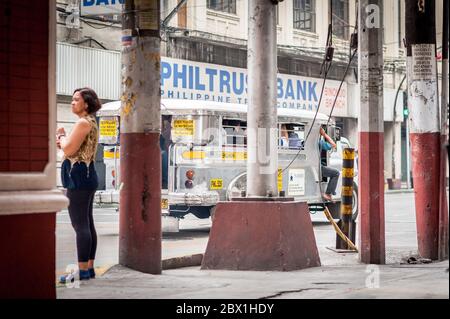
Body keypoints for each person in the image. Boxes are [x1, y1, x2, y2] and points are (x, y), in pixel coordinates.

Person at [57, 87, 101, 283]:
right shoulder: (90, 122)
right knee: (87, 223)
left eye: (76, 100)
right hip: (86, 176)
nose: (72, 102)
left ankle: (82, 271)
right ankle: (88, 268)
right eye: (72, 100)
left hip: (80, 177)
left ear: (87, 103)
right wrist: (66, 143)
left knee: (79, 224)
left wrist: (61, 136)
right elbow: (73, 149)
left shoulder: (83, 122)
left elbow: (68, 148)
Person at [319, 126, 339, 202]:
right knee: (336, 173)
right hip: (318, 167)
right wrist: (324, 135)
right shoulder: (320, 142)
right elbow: (334, 145)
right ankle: (328, 193)